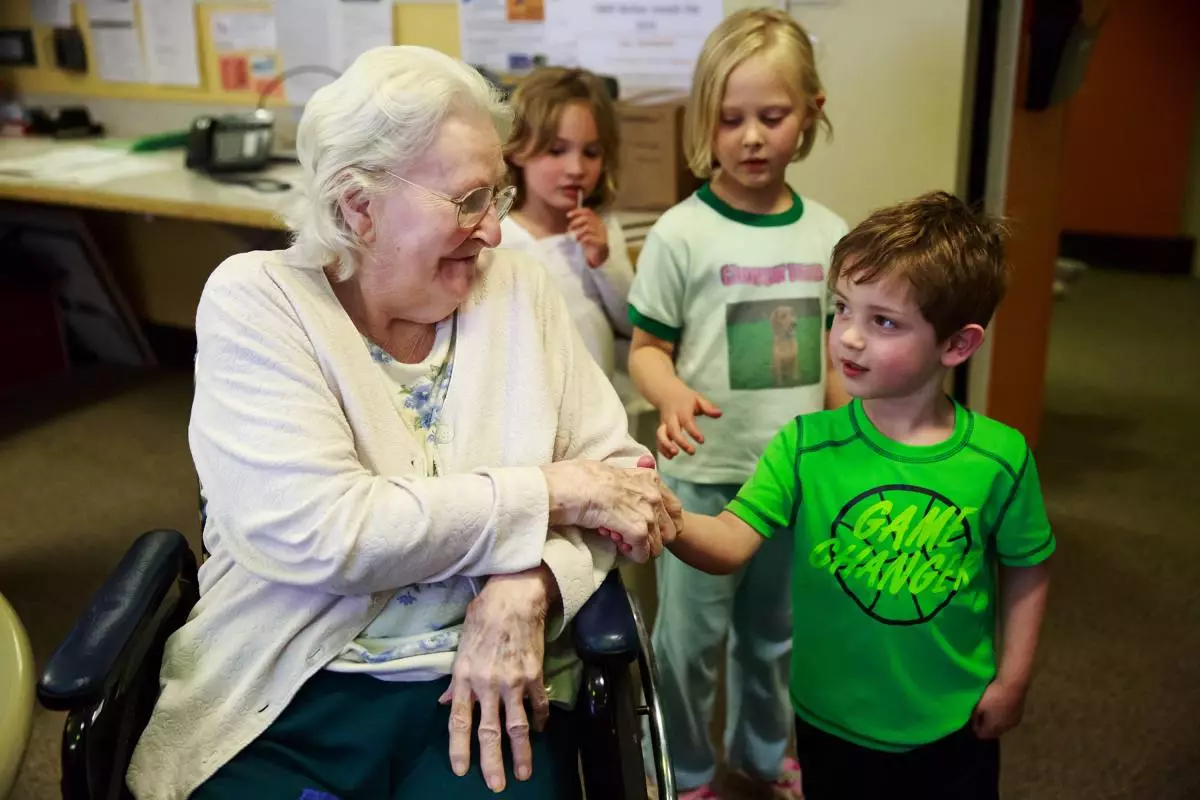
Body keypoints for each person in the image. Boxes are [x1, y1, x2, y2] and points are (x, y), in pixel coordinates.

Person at [126, 45, 677, 800]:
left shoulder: (518, 287)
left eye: (499, 196)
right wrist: (551, 492)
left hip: (489, 682)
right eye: (469, 200)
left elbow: (618, 478)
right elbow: (327, 532)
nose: (492, 230)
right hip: (289, 685)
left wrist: (534, 581)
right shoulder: (255, 302)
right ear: (359, 207)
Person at [664, 191, 1056, 799]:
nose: (847, 337)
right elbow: (730, 542)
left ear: (957, 344)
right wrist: (665, 517)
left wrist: (1015, 679)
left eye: (883, 322)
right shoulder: (805, 444)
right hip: (829, 722)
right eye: (842, 308)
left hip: (951, 722)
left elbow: (1028, 565)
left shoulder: (999, 458)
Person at [626, 9, 847, 799]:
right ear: (705, 124)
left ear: (811, 112)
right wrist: (671, 392)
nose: (751, 136)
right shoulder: (681, 234)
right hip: (705, 479)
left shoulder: (830, 235)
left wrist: (848, 441)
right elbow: (646, 349)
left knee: (776, 636)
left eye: (772, 116)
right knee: (689, 644)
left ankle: (762, 753)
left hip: (793, 482)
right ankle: (686, 771)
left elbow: (835, 361)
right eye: (730, 119)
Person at [500, 67, 634, 383]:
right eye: (556, 151)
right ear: (518, 149)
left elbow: (632, 324)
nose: (576, 169)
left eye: (591, 152)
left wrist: (604, 260)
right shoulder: (497, 237)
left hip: (599, 406)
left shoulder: (602, 231)